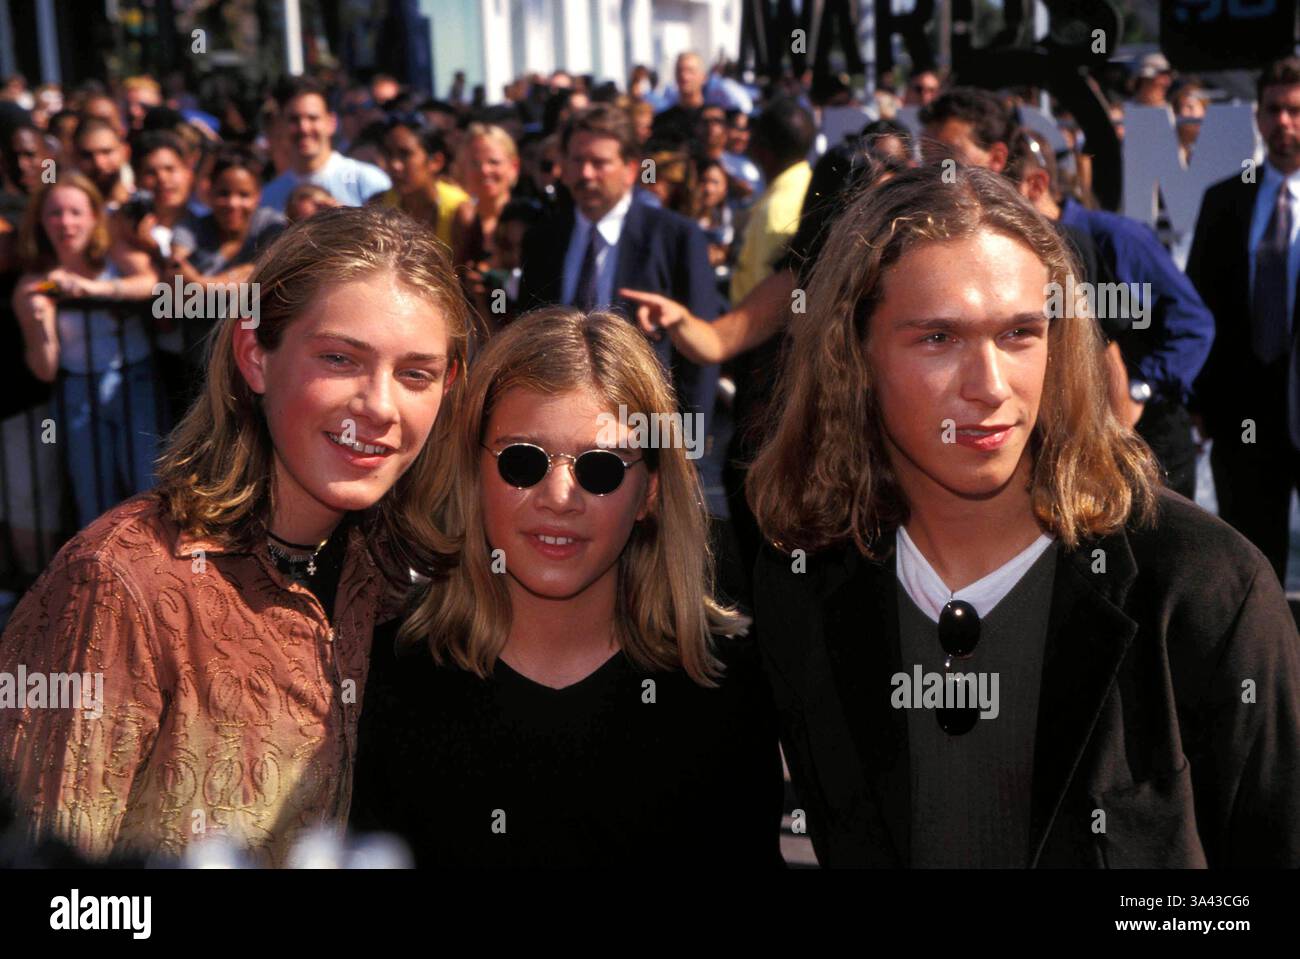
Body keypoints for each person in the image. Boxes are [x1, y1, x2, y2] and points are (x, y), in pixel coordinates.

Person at [745, 163, 1300, 868]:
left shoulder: (1204, 590)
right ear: (856, 353)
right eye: (938, 338)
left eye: (1017, 334)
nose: (989, 386)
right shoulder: (803, 581)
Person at [0, 205, 471, 866]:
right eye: (339, 357)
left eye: (415, 373)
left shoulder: (395, 577)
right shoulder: (121, 582)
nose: (381, 405)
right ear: (254, 355)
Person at [349, 308, 783, 866]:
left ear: (650, 490)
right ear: (474, 472)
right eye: (522, 461)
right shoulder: (391, 672)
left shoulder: (724, 685)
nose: (559, 495)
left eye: (600, 468)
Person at [922, 88, 1213, 499]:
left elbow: (1166, 332)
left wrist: (1141, 391)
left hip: (1140, 448)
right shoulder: (935, 249)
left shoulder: (1102, 241)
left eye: (948, 155)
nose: (934, 171)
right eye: (924, 155)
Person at [518, 104, 722, 437]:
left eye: (599, 163)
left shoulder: (675, 238)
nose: (586, 174)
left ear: (630, 169)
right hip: (559, 429)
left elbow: (700, 353)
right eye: (576, 161)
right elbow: (528, 334)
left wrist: (689, 446)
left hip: (644, 430)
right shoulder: (542, 240)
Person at [1188, 56, 1300, 584]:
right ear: (1257, 118)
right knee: (1253, 570)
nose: (1284, 122)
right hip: (1243, 421)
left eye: (1296, 111)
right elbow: (1201, 307)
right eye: (1274, 110)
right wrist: (1202, 401)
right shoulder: (1223, 201)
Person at [11, 173, 162, 527]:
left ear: (94, 216)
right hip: (76, 390)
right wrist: (41, 324)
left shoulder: (114, 251)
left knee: (150, 486)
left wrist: (92, 289)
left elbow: (150, 282)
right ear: (41, 221)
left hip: (134, 379)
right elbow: (44, 368)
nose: (66, 223)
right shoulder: (34, 281)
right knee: (94, 496)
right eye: (55, 214)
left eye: (76, 212)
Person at [258, 77, 392, 212]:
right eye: (294, 119)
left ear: (331, 122)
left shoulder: (369, 182)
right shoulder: (268, 198)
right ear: (281, 125)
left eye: (313, 118)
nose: (304, 128)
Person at [370, 119, 469, 251]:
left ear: (436, 161)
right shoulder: (378, 205)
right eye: (388, 154)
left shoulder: (460, 213)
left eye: (405, 154)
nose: (394, 165)